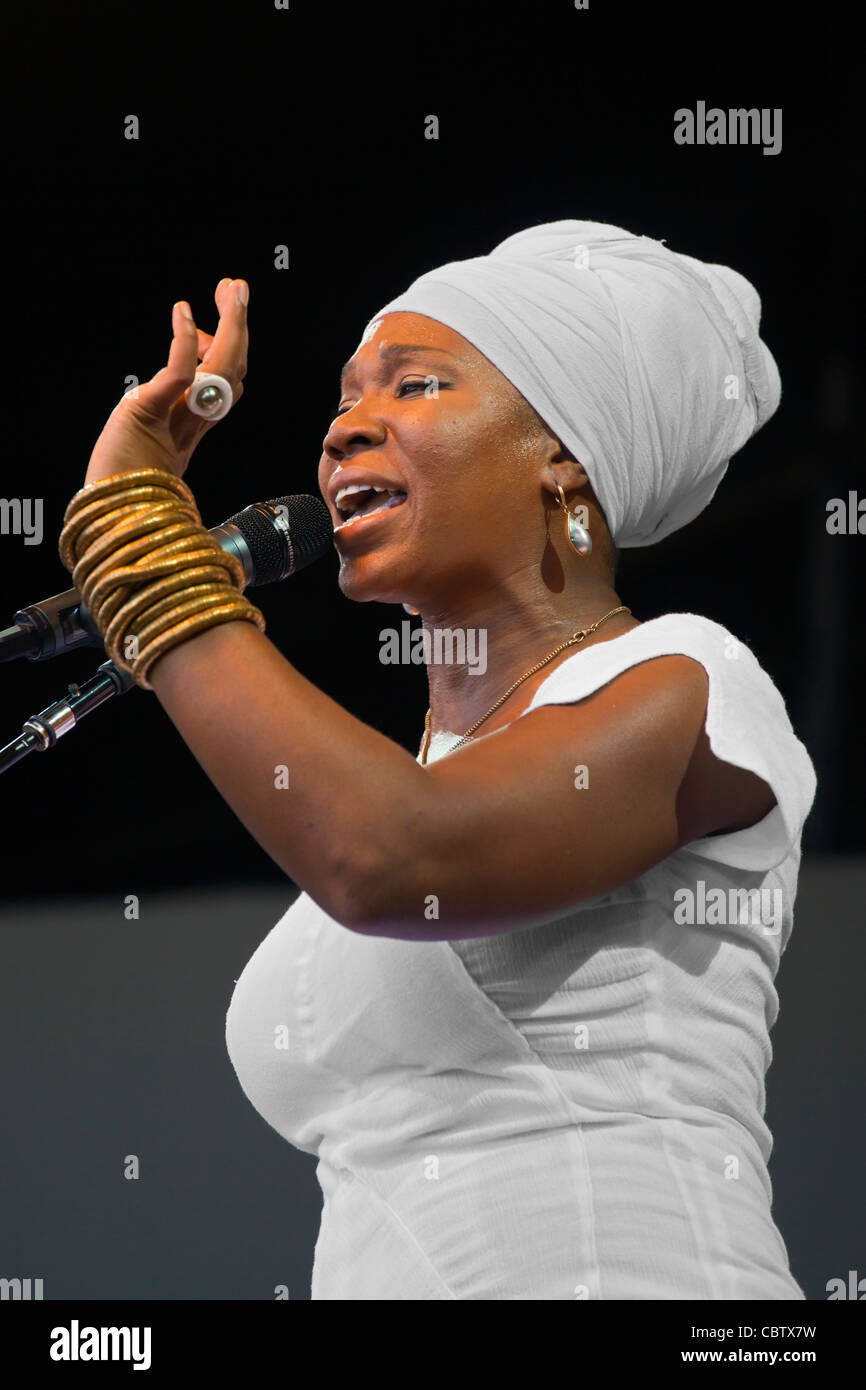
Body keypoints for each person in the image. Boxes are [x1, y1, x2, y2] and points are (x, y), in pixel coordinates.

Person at [69, 220, 816, 1299]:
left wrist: (138, 544)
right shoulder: (421, 770)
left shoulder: (692, 681)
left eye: (412, 388)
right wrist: (131, 534)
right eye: (341, 401)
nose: (341, 434)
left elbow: (389, 856)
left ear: (562, 454)